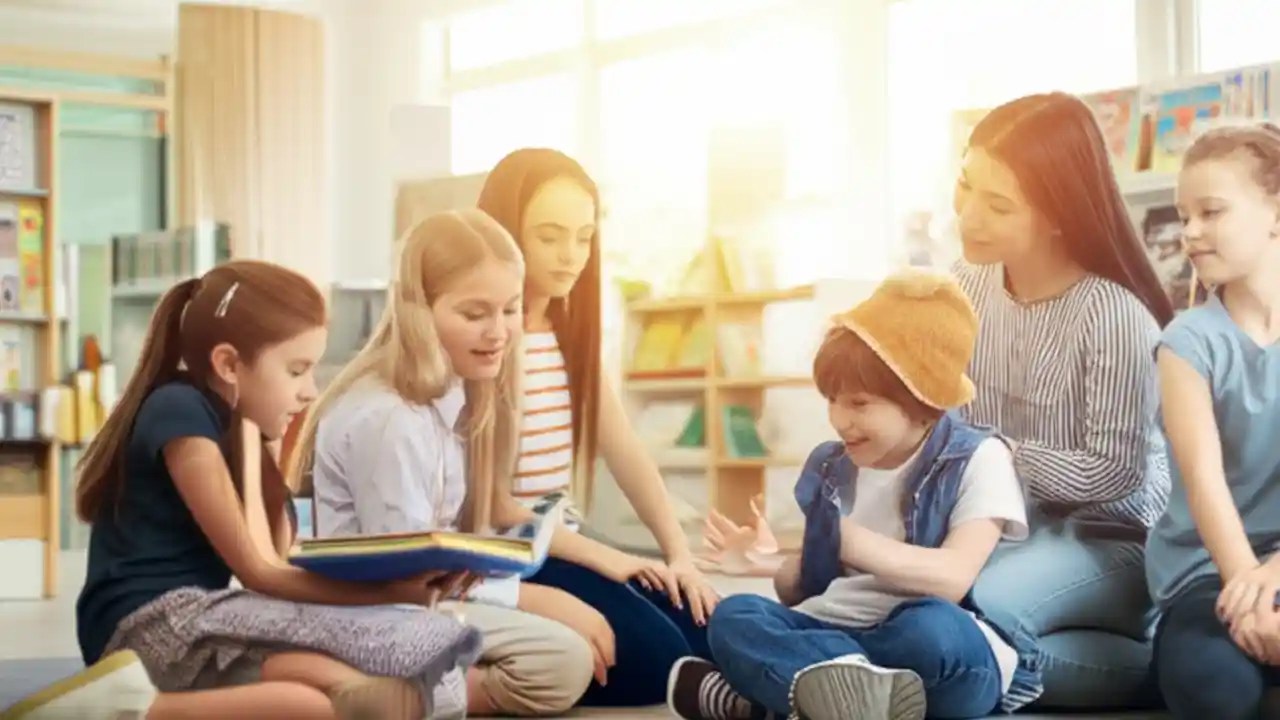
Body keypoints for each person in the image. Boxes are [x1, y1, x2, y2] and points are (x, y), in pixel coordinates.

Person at [23, 261, 481, 720]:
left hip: (207, 622)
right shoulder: (177, 410)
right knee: (307, 704)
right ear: (227, 364)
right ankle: (111, 708)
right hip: (146, 625)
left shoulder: (240, 427)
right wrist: (393, 594)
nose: (310, 391)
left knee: (367, 692)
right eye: (297, 370)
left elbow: (278, 561)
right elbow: (260, 573)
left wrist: (264, 438)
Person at [665, 271, 1029, 720]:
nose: (839, 420)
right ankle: (843, 692)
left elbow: (953, 577)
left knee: (931, 632)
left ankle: (775, 699)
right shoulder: (829, 466)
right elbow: (803, 593)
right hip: (835, 631)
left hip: (936, 646)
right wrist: (770, 562)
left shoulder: (978, 457)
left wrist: (847, 540)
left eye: (859, 404)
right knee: (736, 615)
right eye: (832, 400)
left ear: (921, 401)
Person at [289, 209, 596, 717]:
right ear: (419, 312)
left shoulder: (450, 396)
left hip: (423, 598)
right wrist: (526, 599)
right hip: (382, 609)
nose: (498, 332)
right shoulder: (392, 418)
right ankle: (389, 693)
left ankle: (414, 685)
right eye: (474, 315)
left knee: (579, 643)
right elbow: (406, 579)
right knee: (562, 660)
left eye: (510, 310)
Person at [952, 91, 1174, 710]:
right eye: (965, 186)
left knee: (978, 610)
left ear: (1057, 214)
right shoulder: (962, 287)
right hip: (1008, 527)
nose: (967, 216)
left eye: (997, 205)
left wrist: (997, 453)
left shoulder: (1114, 315)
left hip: (1112, 537)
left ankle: (1159, 666)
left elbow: (1114, 472)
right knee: (907, 596)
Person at [474, 147, 717, 706]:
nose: (570, 256)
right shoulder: (483, 340)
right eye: (550, 236)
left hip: (563, 544)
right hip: (508, 557)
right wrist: (608, 558)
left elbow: (626, 452)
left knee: (707, 624)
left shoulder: (566, 334)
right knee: (660, 656)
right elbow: (487, 507)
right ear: (505, 232)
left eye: (584, 237)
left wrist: (680, 555)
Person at [1146, 123, 1280, 720]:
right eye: (1184, 215)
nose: (1191, 232)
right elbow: (1204, 480)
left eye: (1212, 212)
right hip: (1211, 575)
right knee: (1214, 690)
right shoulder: (1187, 341)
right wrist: (1250, 589)